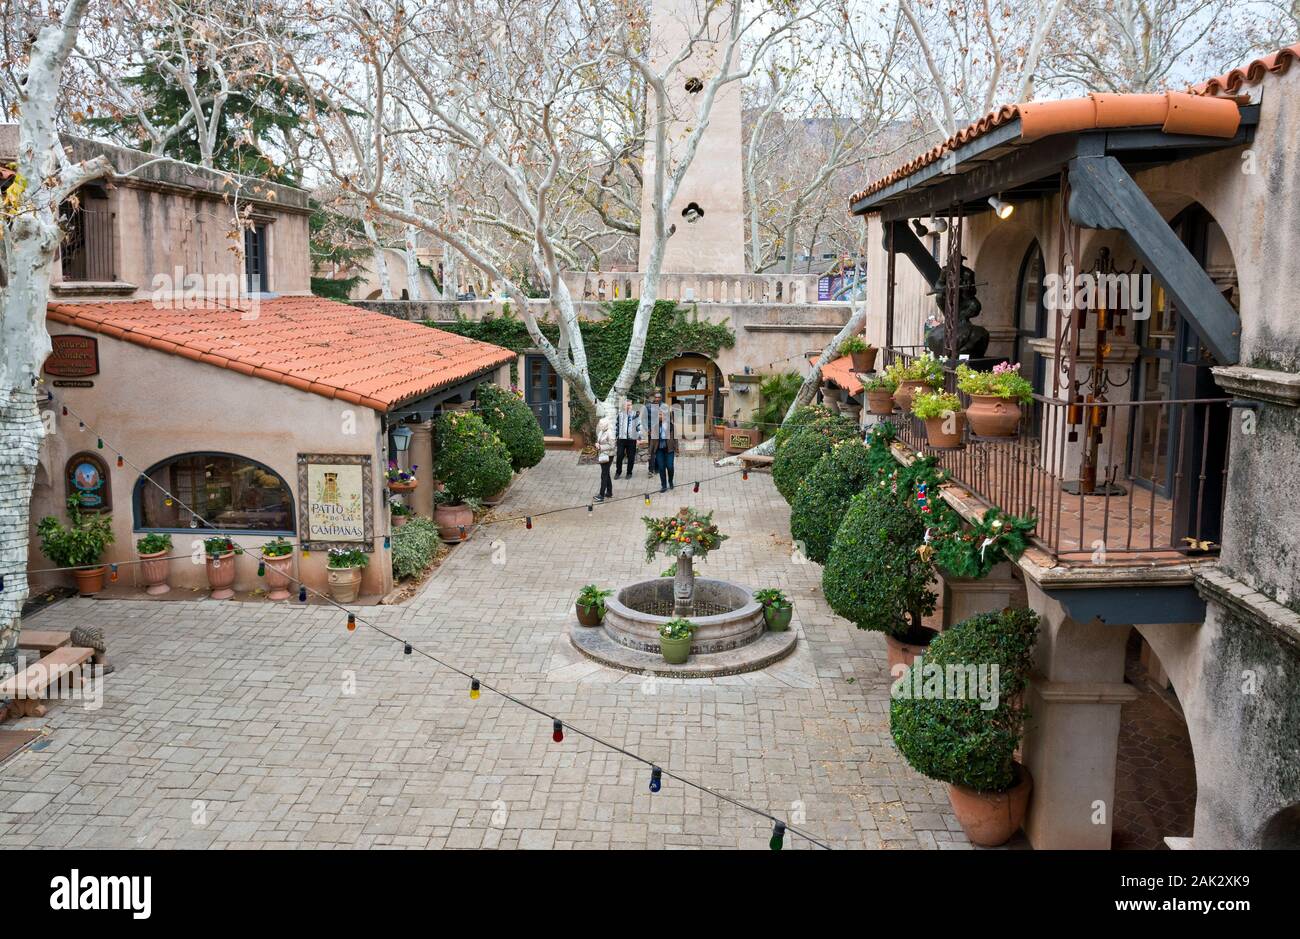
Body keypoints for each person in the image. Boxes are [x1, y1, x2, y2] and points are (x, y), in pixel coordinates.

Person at [650, 405, 678, 492]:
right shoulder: (655, 426)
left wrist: (676, 449)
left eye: (661, 415)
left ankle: (670, 481)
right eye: (659, 415)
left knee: (670, 466)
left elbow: (675, 438)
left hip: (669, 449)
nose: (659, 416)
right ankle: (664, 485)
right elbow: (652, 440)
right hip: (659, 450)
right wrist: (650, 452)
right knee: (661, 468)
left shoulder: (671, 426)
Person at [641, 391, 665, 478]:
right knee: (651, 451)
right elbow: (643, 419)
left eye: (659, 397)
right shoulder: (648, 406)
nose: (657, 399)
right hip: (651, 432)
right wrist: (647, 429)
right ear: (653, 397)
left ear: (661, 398)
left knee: (660, 450)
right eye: (656, 397)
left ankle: (657, 468)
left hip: (661, 433)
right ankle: (650, 469)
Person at [614, 399, 640, 479]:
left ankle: (629, 472)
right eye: (627, 405)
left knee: (631, 456)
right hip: (621, 439)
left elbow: (639, 426)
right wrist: (616, 436)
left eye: (630, 405)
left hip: (632, 439)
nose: (629, 406)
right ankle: (618, 472)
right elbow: (616, 426)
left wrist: (639, 437)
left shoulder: (635, 414)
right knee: (619, 455)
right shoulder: (620, 415)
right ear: (624, 406)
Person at [594, 415, 615, 502]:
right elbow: (599, 440)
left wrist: (600, 447)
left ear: (605, 425)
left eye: (601, 424)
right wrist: (597, 444)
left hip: (608, 455)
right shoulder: (602, 431)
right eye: (600, 424)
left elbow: (612, 446)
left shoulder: (610, 433)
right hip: (603, 454)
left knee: (604, 475)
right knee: (606, 473)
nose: (600, 425)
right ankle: (609, 492)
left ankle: (601, 495)